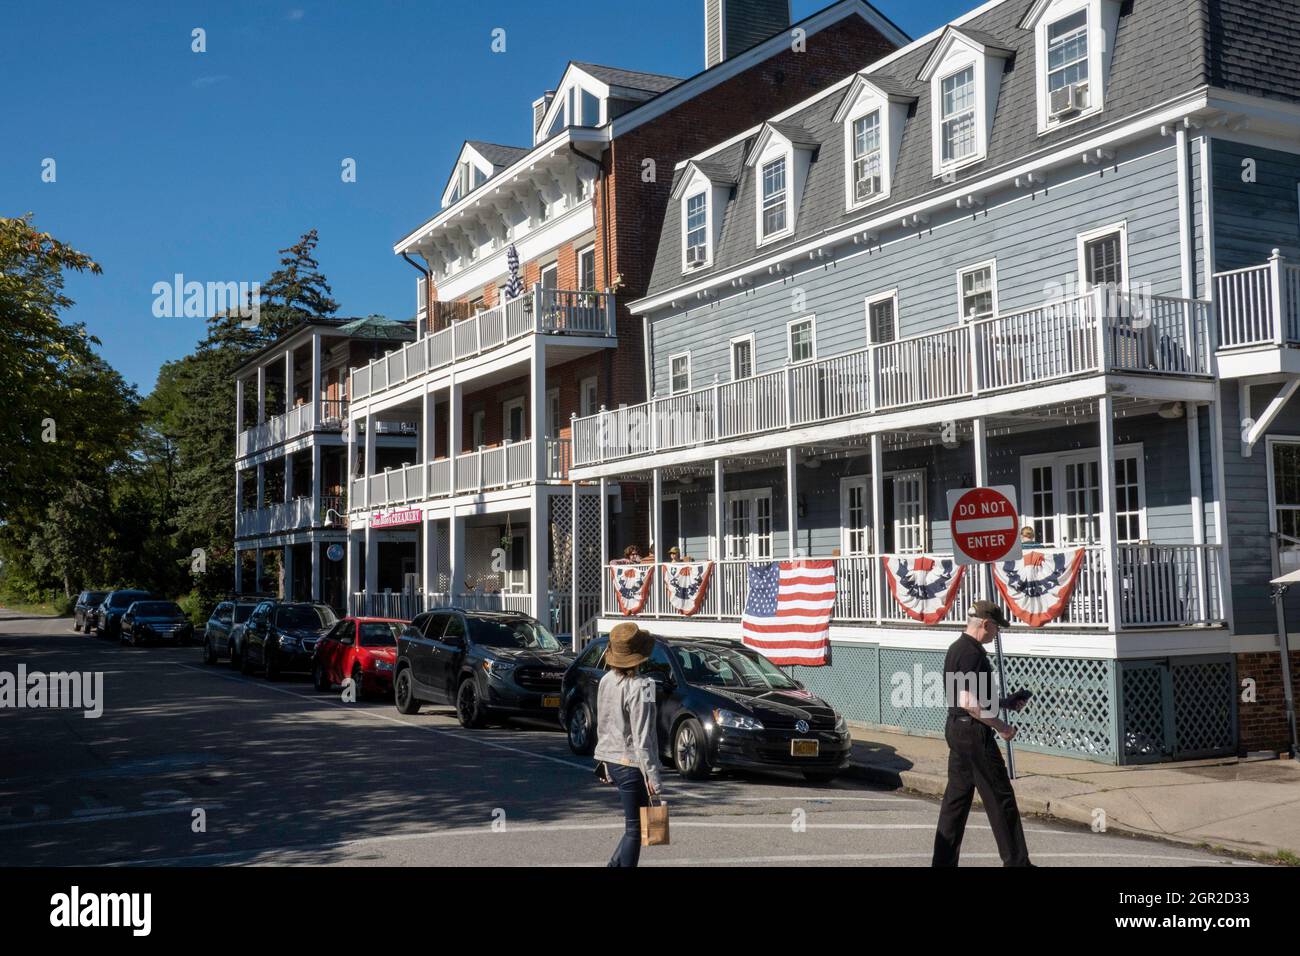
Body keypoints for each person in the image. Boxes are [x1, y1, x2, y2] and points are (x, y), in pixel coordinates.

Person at [932, 600, 1034, 867]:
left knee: (956, 802)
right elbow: (967, 701)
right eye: (997, 628)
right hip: (973, 734)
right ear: (985, 624)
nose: (997, 633)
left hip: (957, 729)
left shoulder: (957, 648)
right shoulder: (972, 654)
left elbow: (969, 697)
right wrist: (1002, 727)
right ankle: (1017, 864)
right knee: (1001, 799)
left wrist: (1005, 703)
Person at [593, 622, 664, 867]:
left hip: (612, 759)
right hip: (632, 762)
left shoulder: (605, 680)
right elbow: (642, 735)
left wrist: (602, 759)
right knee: (636, 828)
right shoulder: (643, 685)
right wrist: (653, 776)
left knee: (634, 825)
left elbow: (602, 722)